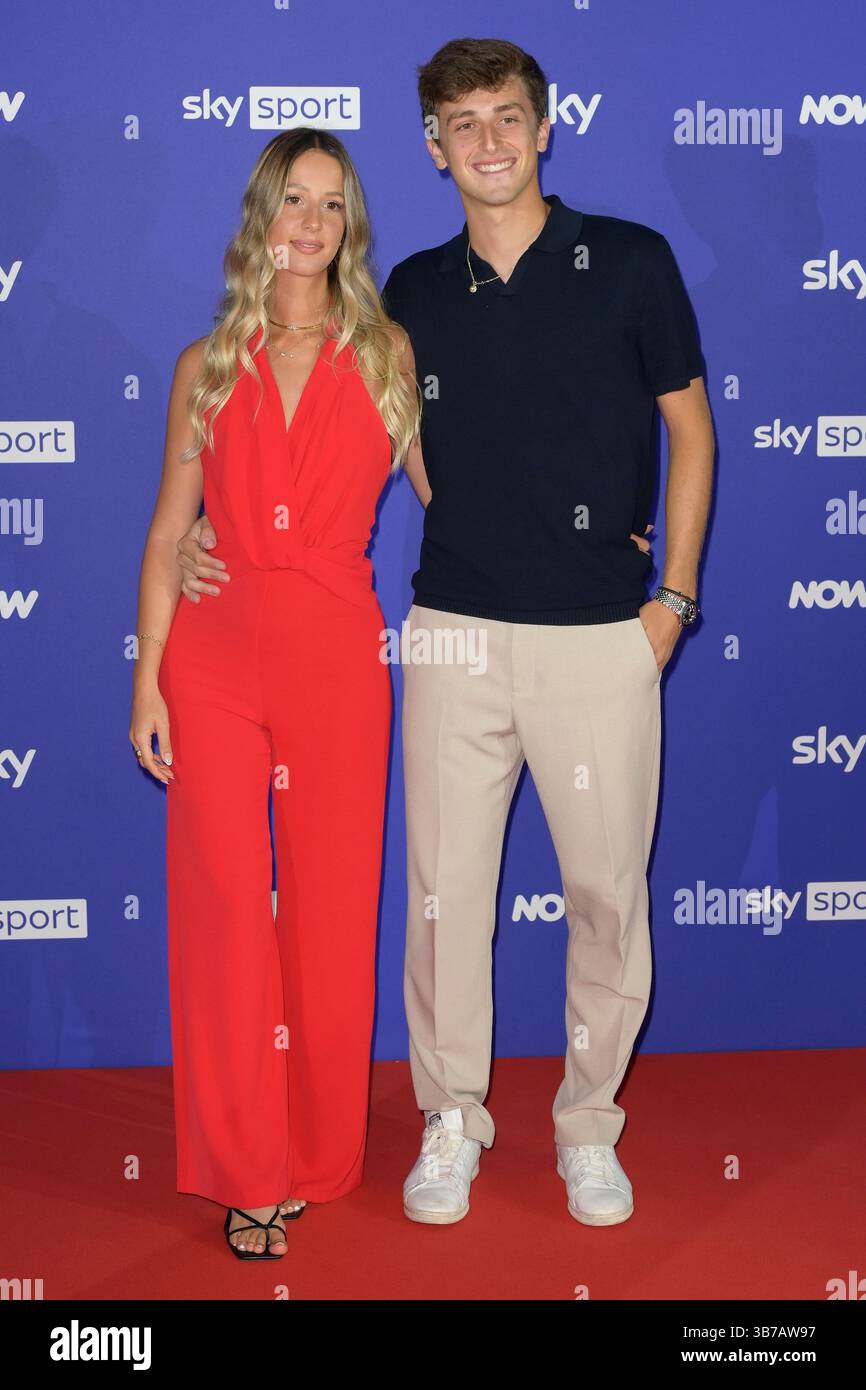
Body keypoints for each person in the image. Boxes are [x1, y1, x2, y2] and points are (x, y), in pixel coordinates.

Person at [176, 35, 714, 1231]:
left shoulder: (628, 260)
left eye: (505, 115)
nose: (487, 139)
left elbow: (690, 430)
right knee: (441, 901)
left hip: (600, 642)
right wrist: (209, 533)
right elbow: (386, 442)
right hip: (451, 632)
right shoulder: (405, 295)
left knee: (603, 898)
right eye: (460, 122)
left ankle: (585, 1125)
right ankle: (449, 1117)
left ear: (543, 124)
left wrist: (667, 603)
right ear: (431, 147)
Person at [129, 128, 420, 1258]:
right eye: (293, 200)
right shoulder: (203, 364)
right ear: (260, 216)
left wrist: (607, 530)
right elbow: (166, 534)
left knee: (334, 907)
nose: (310, 223)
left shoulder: (390, 352)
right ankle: (249, 1166)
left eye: (332, 205)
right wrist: (147, 673)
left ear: (350, 226)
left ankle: (314, 1147)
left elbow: (478, 480)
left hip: (337, 658)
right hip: (212, 652)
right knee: (221, 908)